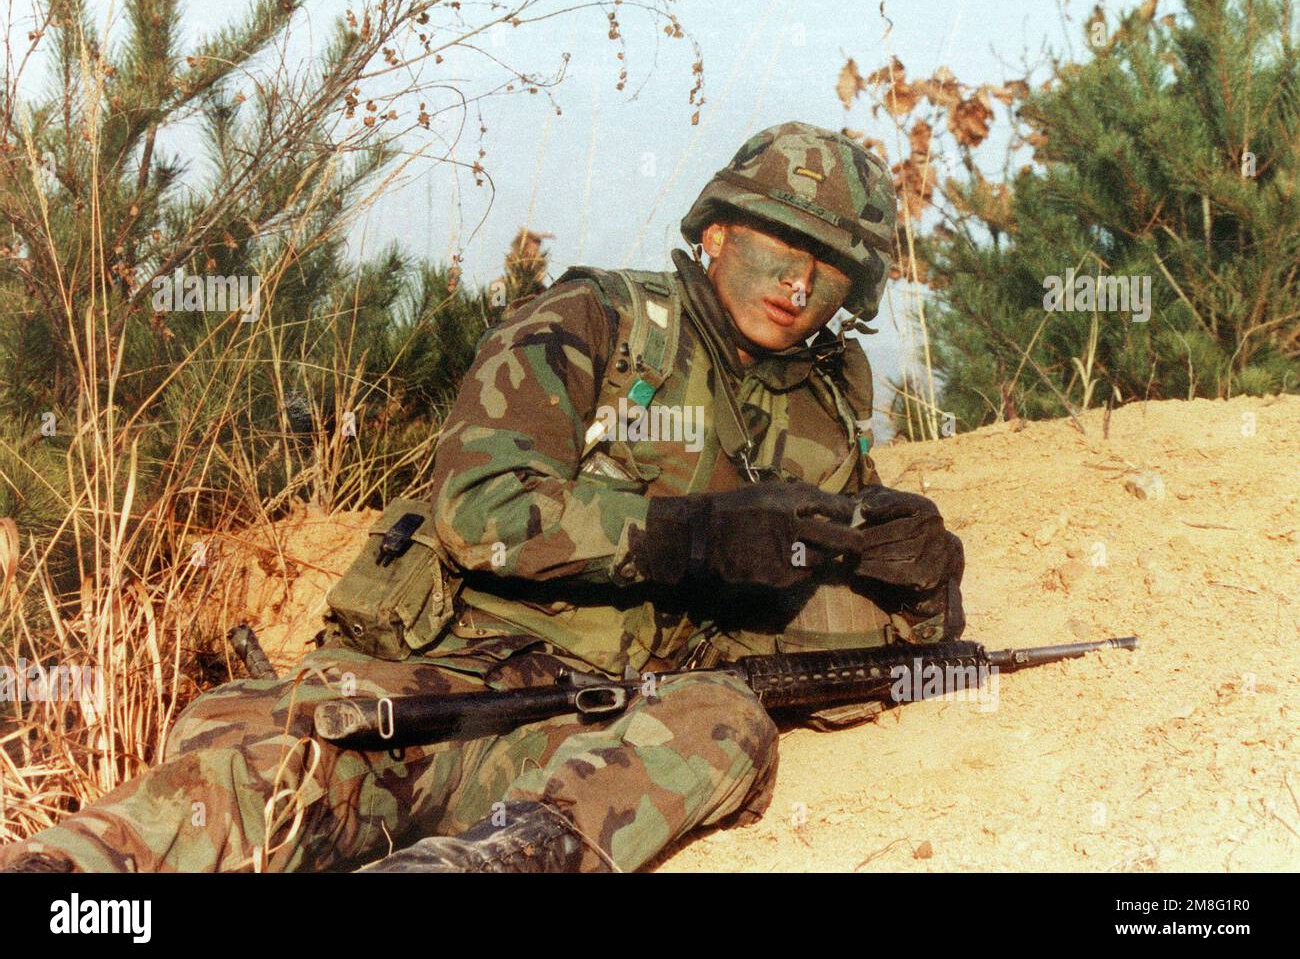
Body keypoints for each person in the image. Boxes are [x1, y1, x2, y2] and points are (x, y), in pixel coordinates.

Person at [0, 121, 963, 874]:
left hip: (600, 731)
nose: (798, 281)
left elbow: (800, 642)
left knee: (729, 718)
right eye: (778, 242)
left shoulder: (830, 411)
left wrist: (918, 599)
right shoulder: (598, 322)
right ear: (714, 233)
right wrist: (689, 537)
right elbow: (480, 507)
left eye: (829, 263)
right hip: (443, 681)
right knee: (263, 788)